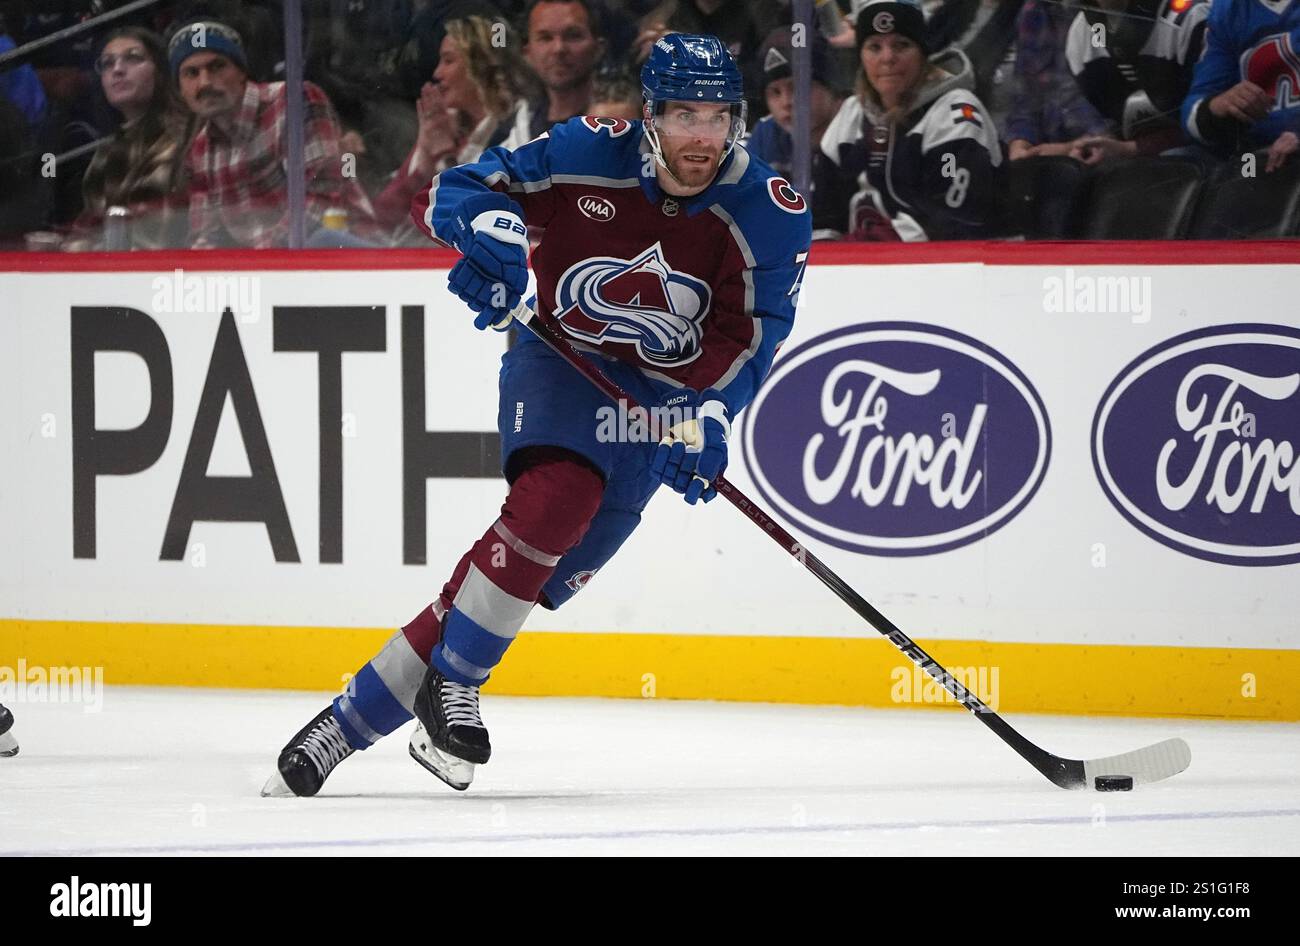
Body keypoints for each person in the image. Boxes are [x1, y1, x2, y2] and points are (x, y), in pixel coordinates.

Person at [263, 33, 811, 797]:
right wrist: (491, 243)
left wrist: (707, 420)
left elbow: (750, 339)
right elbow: (461, 189)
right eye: (684, 115)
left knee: (525, 572)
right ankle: (457, 683)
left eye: (718, 117)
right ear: (650, 116)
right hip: (558, 359)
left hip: (657, 405)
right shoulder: (588, 148)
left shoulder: (771, 213)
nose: (702, 136)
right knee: (557, 499)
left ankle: (346, 724)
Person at [169, 19, 378, 248]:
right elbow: (206, 234)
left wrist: (257, 264)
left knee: (323, 239)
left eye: (217, 67)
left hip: (346, 255)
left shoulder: (295, 100)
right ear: (181, 90)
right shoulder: (199, 151)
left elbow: (324, 198)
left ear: (241, 73)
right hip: (270, 273)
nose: (205, 82)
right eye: (191, 73)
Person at [821, 0, 1005, 240]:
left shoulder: (956, 112)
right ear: (861, 57)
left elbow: (952, 219)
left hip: (953, 268)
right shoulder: (852, 114)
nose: (887, 57)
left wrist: (868, 251)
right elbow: (822, 212)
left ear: (923, 53)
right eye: (874, 47)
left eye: (901, 45)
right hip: (866, 267)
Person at [372, 15, 535, 237]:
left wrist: (449, 160)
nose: (437, 74)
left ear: (479, 65)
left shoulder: (519, 124)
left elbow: (480, 215)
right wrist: (427, 155)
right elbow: (382, 215)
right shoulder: (441, 124)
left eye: (448, 61)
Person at [65, 28, 191, 251]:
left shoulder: (183, 138)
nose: (118, 70)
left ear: (160, 72)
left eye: (133, 58)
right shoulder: (107, 151)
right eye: (107, 63)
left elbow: (155, 243)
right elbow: (85, 230)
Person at [1056, 0, 1210, 166]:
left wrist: (1129, 149)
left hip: (1207, 160)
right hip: (1136, 166)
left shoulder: (1192, 17)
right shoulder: (1081, 35)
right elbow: (1111, 129)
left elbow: (1213, 124)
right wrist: (1086, 148)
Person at [747, 26, 846, 235]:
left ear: (831, 86)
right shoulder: (766, 135)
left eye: (797, 87)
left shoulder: (855, 130)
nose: (786, 102)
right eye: (775, 92)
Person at [1181, 0, 1300, 170]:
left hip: (1292, 156)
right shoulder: (1229, 10)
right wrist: (1217, 106)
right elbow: (1193, 107)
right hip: (1255, 159)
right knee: (1175, 165)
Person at [499, 0, 608, 149]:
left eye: (573, 36)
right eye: (545, 38)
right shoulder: (514, 133)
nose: (558, 49)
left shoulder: (622, 121)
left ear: (598, 48)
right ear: (527, 53)